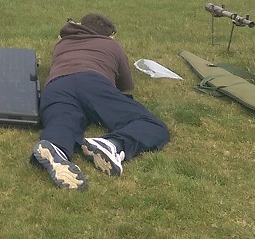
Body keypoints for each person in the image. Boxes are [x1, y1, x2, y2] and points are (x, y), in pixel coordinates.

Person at [30, 13, 171, 190]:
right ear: (109, 35)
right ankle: (112, 144)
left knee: (64, 121)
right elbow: (125, 85)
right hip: (92, 82)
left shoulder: (62, 44)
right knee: (154, 126)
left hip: (55, 87)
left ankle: (54, 145)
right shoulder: (112, 45)